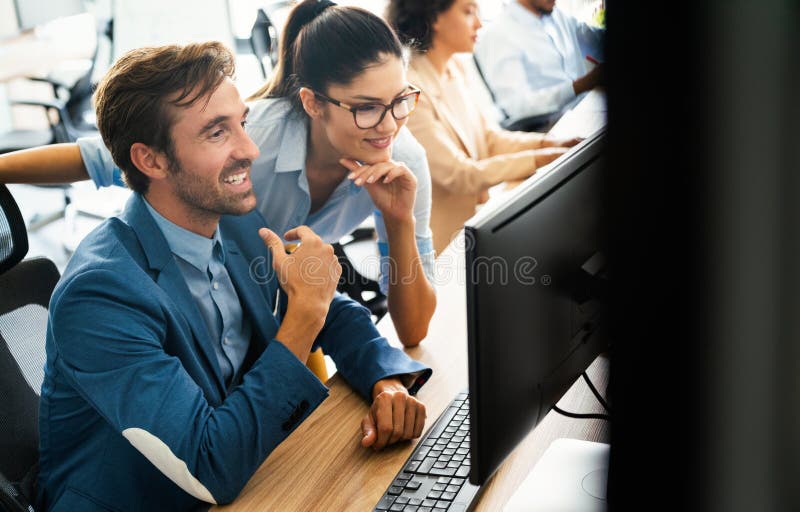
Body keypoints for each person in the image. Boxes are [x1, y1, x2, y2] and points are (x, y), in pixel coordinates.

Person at [36, 41, 431, 511]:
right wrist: (303, 316)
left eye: (241, 123)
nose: (250, 149)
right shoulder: (101, 294)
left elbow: (330, 310)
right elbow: (207, 466)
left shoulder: (235, 221)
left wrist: (383, 380)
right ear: (151, 161)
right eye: (217, 133)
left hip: (252, 480)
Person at [0, 0, 435, 347]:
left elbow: (413, 330)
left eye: (400, 100)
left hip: (270, 294)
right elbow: (97, 157)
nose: (389, 125)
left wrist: (399, 220)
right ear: (313, 103)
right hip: (203, 293)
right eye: (366, 108)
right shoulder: (251, 140)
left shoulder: (401, 164)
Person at [387, 0, 581, 253]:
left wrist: (546, 144)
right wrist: (539, 159)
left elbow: (487, 139)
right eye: (468, 12)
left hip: (480, 220)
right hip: (444, 245)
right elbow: (459, 175)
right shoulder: (410, 89)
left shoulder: (455, 68)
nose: (479, 23)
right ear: (434, 17)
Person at [473, 0, 605, 125]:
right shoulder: (499, 34)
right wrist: (579, 86)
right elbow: (516, 107)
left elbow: (596, 41)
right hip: (549, 133)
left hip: (588, 115)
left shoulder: (558, 15)